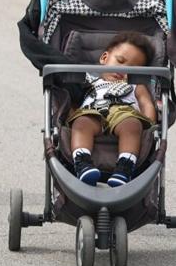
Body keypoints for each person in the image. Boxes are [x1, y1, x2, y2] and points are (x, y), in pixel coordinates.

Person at [68, 33, 158, 187]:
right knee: (81, 123)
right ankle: (82, 163)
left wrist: (150, 125)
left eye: (132, 69)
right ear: (104, 58)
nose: (122, 69)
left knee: (132, 125)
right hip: (93, 111)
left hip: (123, 113)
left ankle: (124, 167)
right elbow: (74, 100)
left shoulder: (136, 85)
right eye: (120, 61)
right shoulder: (89, 81)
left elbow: (146, 104)